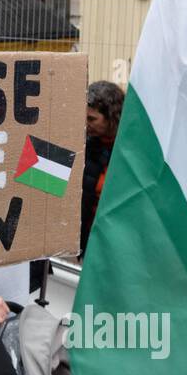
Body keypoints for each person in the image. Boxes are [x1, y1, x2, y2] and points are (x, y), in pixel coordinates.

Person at [81, 80, 124, 255]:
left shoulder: (131, 151)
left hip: (119, 244)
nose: (85, 124)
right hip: (92, 241)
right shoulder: (85, 146)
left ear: (113, 117)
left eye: (91, 119)